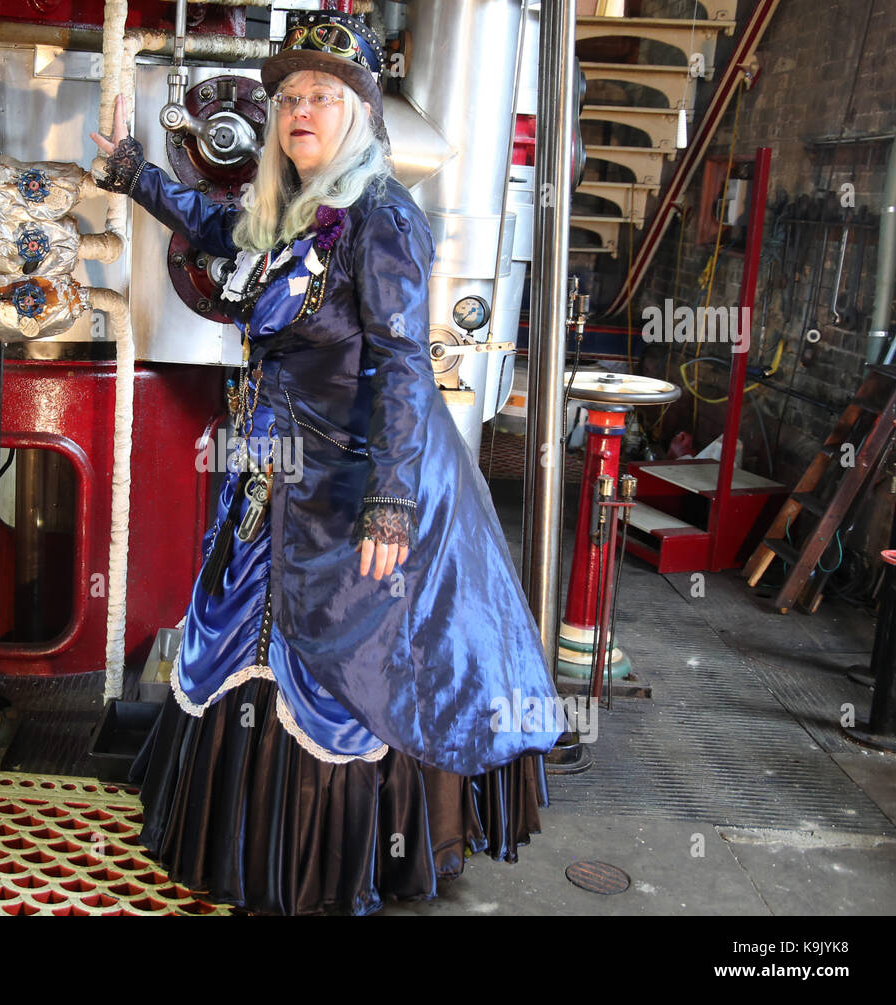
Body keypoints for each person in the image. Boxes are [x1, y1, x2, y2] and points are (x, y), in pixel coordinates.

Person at [91, 10, 561, 916]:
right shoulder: (288, 210)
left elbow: (402, 365)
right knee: (246, 644)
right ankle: (260, 850)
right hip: (270, 476)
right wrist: (135, 176)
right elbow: (221, 227)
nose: (301, 109)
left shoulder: (383, 219)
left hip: (354, 485)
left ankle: (337, 864)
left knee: (346, 668)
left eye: (322, 96)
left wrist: (389, 500)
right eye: (291, 97)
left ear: (359, 114)